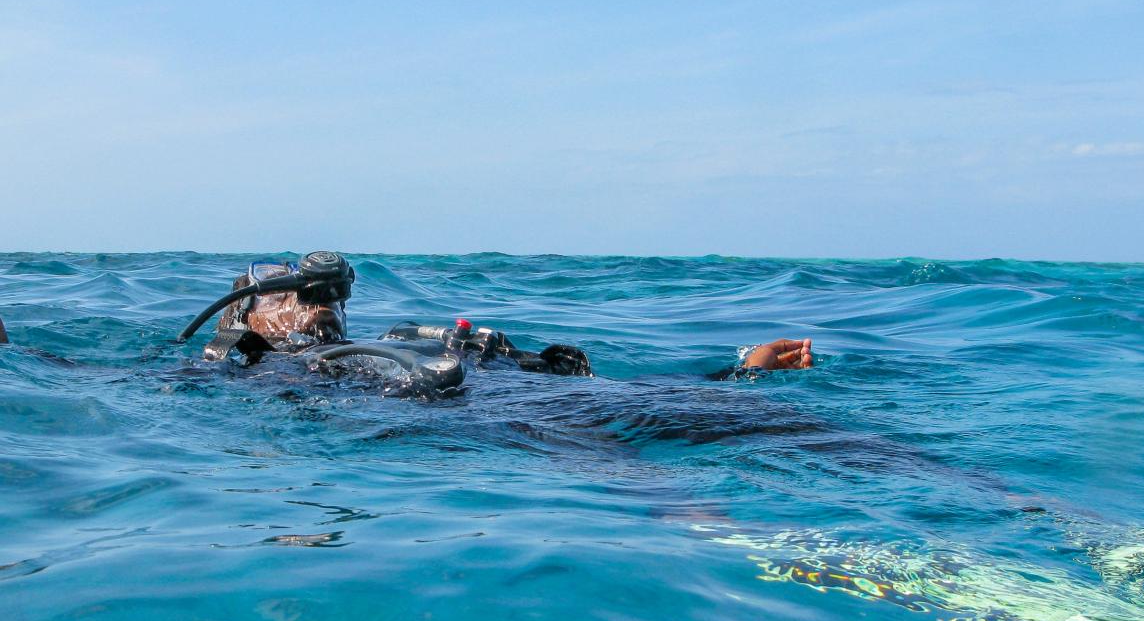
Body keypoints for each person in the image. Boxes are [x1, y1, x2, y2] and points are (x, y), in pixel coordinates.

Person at [179, 252, 815, 387]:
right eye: (289, 293)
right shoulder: (258, 368)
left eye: (327, 297)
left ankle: (743, 378)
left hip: (577, 408)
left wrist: (733, 379)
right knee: (653, 486)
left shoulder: (401, 340)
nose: (318, 307)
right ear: (247, 320)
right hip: (528, 435)